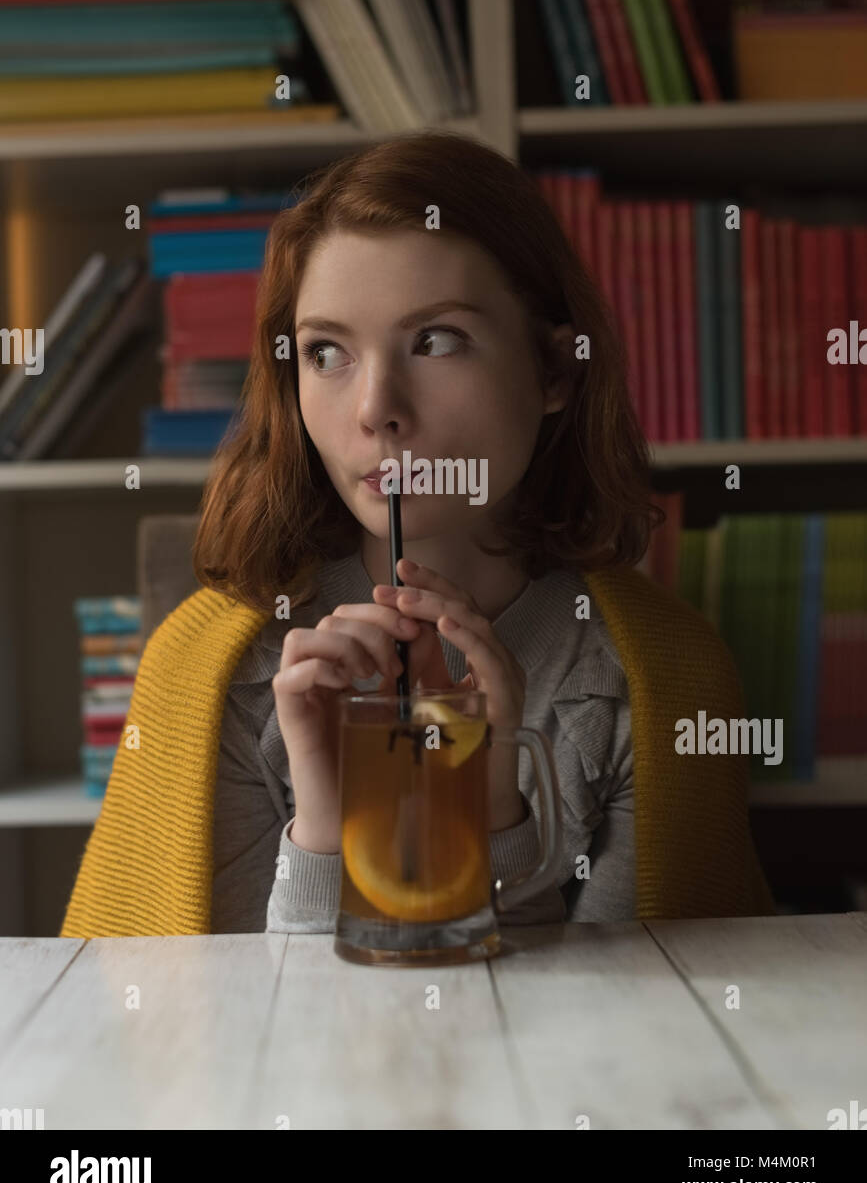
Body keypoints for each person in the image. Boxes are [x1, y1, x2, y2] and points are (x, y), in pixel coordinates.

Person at [60, 132, 775, 940]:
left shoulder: (660, 682)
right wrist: (326, 826)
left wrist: (491, 799)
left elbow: (639, 1029)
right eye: (327, 351)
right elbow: (220, 1032)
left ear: (555, 373)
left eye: (435, 341)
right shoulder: (213, 675)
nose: (374, 409)